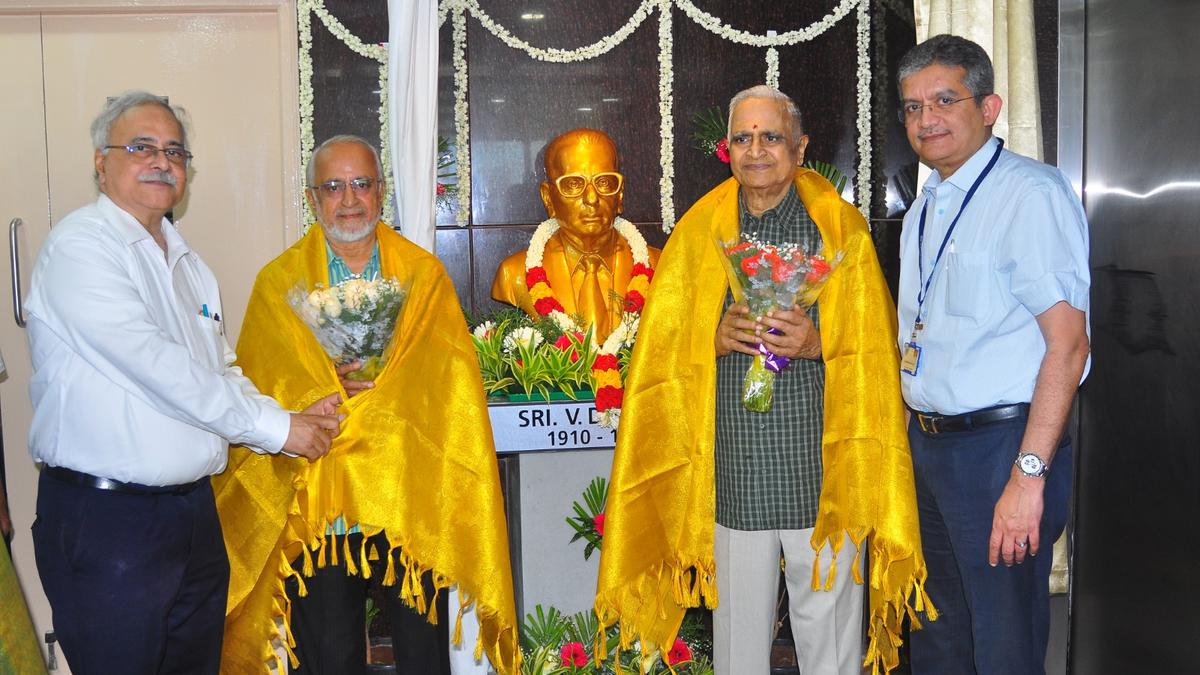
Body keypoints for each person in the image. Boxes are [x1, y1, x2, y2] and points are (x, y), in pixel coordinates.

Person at [595, 85, 931, 674]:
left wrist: (816, 342)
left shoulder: (839, 231)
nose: (756, 150)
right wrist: (711, 338)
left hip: (822, 480)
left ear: (799, 147)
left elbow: (880, 352)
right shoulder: (701, 233)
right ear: (727, 148)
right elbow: (662, 350)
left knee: (830, 652)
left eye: (771, 136)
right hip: (732, 479)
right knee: (737, 652)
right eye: (743, 137)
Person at [23, 90, 341, 675]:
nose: (161, 161)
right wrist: (278, 429)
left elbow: (217, 372)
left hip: (192, 517)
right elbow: (154, 367)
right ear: (101, 162)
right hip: (108, 522)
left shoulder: (189, 265)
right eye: (141, 147)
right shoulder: (81, 247)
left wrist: (292, 417)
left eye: (174, 151)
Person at [215, 135, 519, 674]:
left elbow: (451, 388)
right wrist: (320, 380)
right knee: (328, 661)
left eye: (361, 184)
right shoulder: (278, 285)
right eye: (333, 186)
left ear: (382, 193)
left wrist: (394, 381)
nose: (348, 199)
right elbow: (258, 390)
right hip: (323, 509)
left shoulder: (422, 278)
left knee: (424, 660)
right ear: (312, 199)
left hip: (409, 505)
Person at [895, 35, 1090, 674]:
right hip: (928, 448)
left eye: (945, 100)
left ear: (990, 106)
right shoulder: (927, 206)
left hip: (1000, 452)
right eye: (913, 106)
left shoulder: (1029, 194)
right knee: (938, 638)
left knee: (1003, 643)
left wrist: (1027, 477)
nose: (927, 119)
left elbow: (1068, 346)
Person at [491, 128, 660, 341]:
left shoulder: (659, 267)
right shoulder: (513, 274)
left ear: (620, 194)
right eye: (573, 184)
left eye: (604, 182)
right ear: (548, 198)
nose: (591, 198)